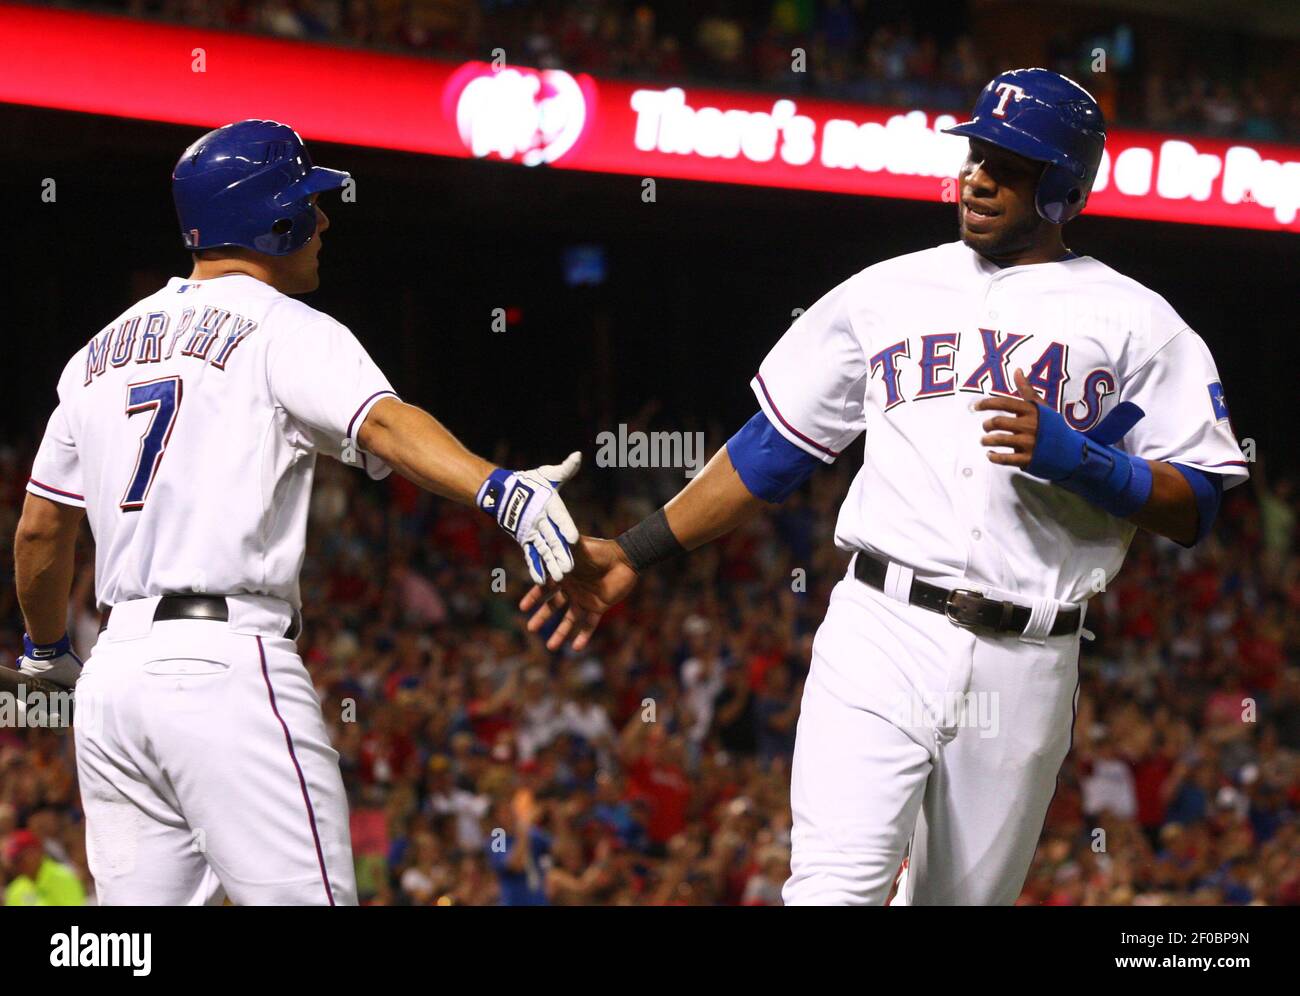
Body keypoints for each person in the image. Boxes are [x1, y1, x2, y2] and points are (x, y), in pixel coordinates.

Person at [522, 69, 1248, 905]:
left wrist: (1082, 460)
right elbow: (773, 449)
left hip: (1030, 657)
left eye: (1010, 164)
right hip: (881, 626)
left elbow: (1199, 504)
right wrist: (634, 552)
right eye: (978, 155)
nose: (977, 176)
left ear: (1065, 187)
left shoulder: (1140, 322)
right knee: (831, 891)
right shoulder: (885, 291)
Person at [13, 119, 583, 906]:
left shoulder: (93, 354)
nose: (323, 221)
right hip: (226, 664)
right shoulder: (285, 327)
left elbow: (43, 530)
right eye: (307, 203)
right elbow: (383, 421)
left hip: (114, 681)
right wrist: (499, 488)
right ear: (270, 220)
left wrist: (48, 649)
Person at [3, 829, 86, 906]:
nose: (17, 865)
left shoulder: (64, 877)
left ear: (36, 852)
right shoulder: (15, 890)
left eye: (20, 858)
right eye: (14, 860)